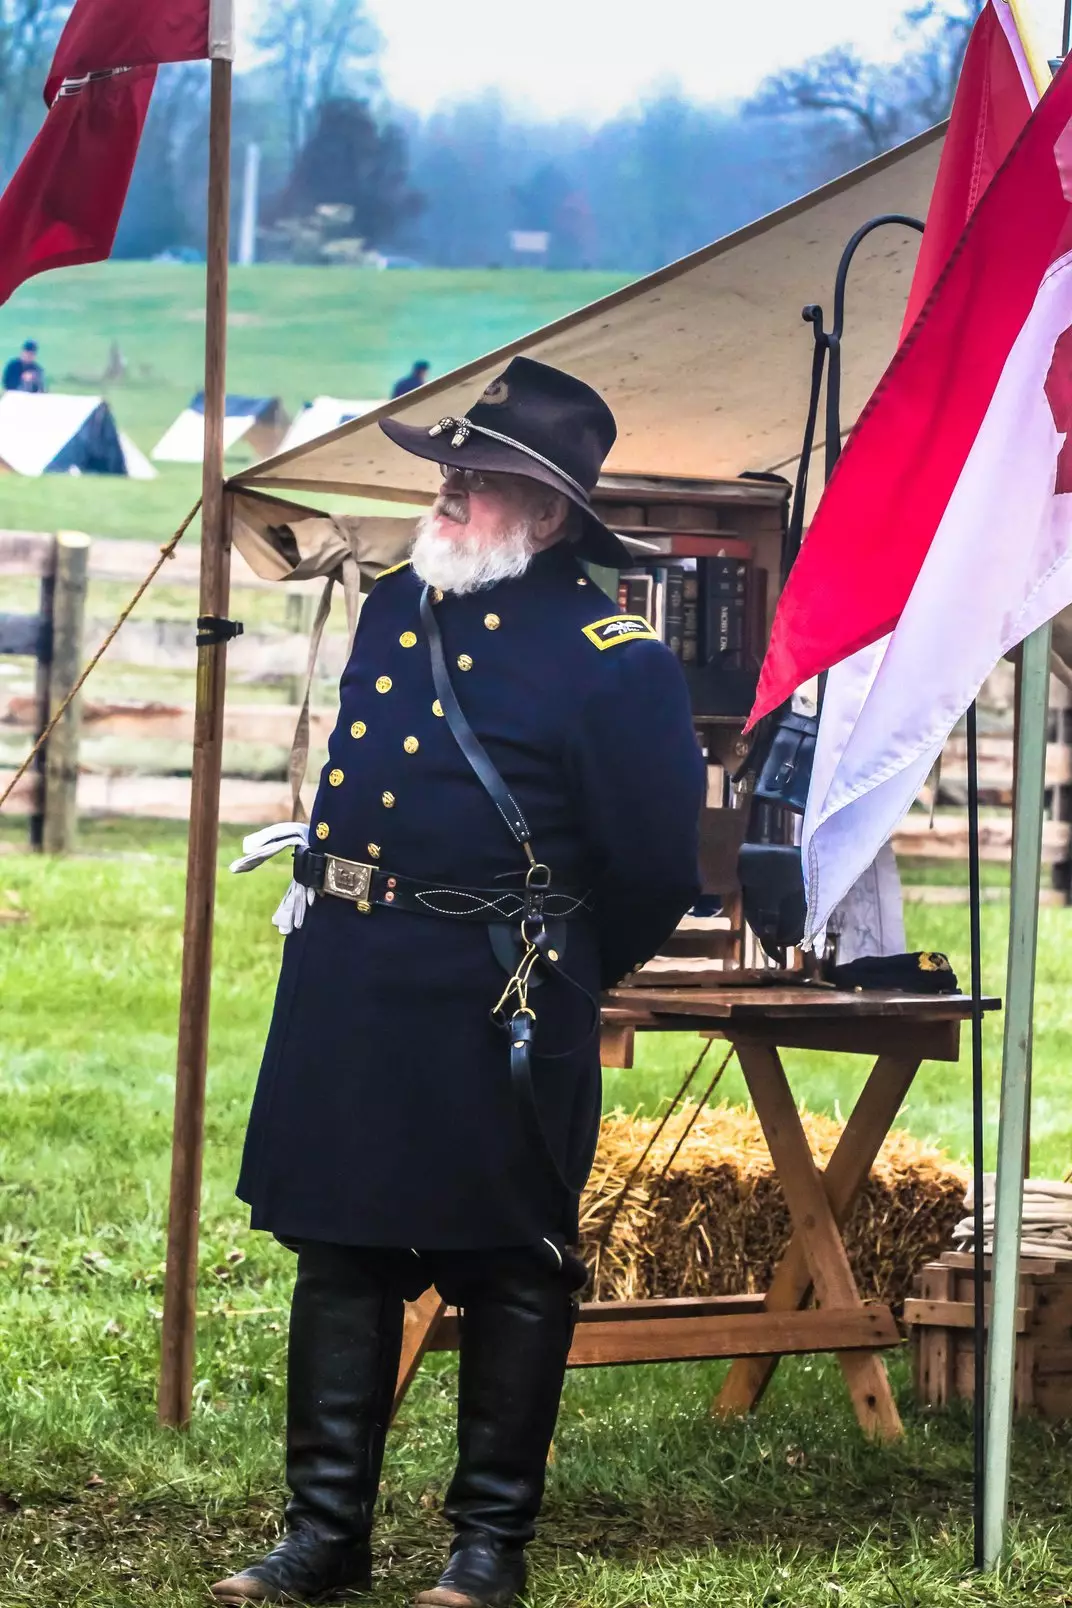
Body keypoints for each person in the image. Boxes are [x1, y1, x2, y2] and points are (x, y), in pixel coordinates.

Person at [213, 357, 705, 1608]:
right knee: (339, 1249)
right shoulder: (393, 606)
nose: (451, 497)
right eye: (454, 472)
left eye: (485, 484)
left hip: (504, 988)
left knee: (513, 1261)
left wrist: (557, 969)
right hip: (357, 972)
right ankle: (322, 1538)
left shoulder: (616, 657)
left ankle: (487, 1551)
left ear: (545, 517)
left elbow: (651, 872)